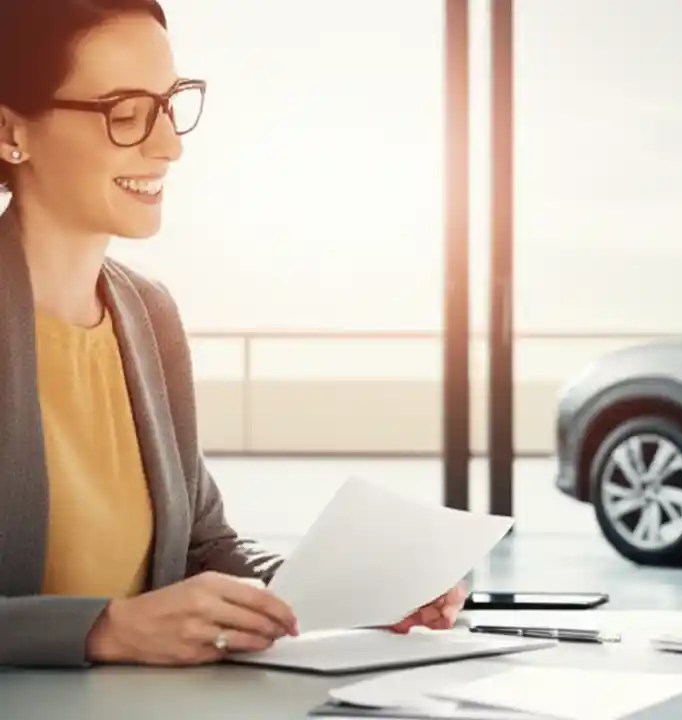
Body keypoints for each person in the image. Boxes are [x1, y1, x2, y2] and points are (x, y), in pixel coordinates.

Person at [0, 0, 465, 668]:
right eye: (126, 112)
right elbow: (126, 620)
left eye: (170, 104)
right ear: (11, 130)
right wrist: (103, 629)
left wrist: (363, 588)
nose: (169, 145)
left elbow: (204, 548)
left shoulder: (148, 316)